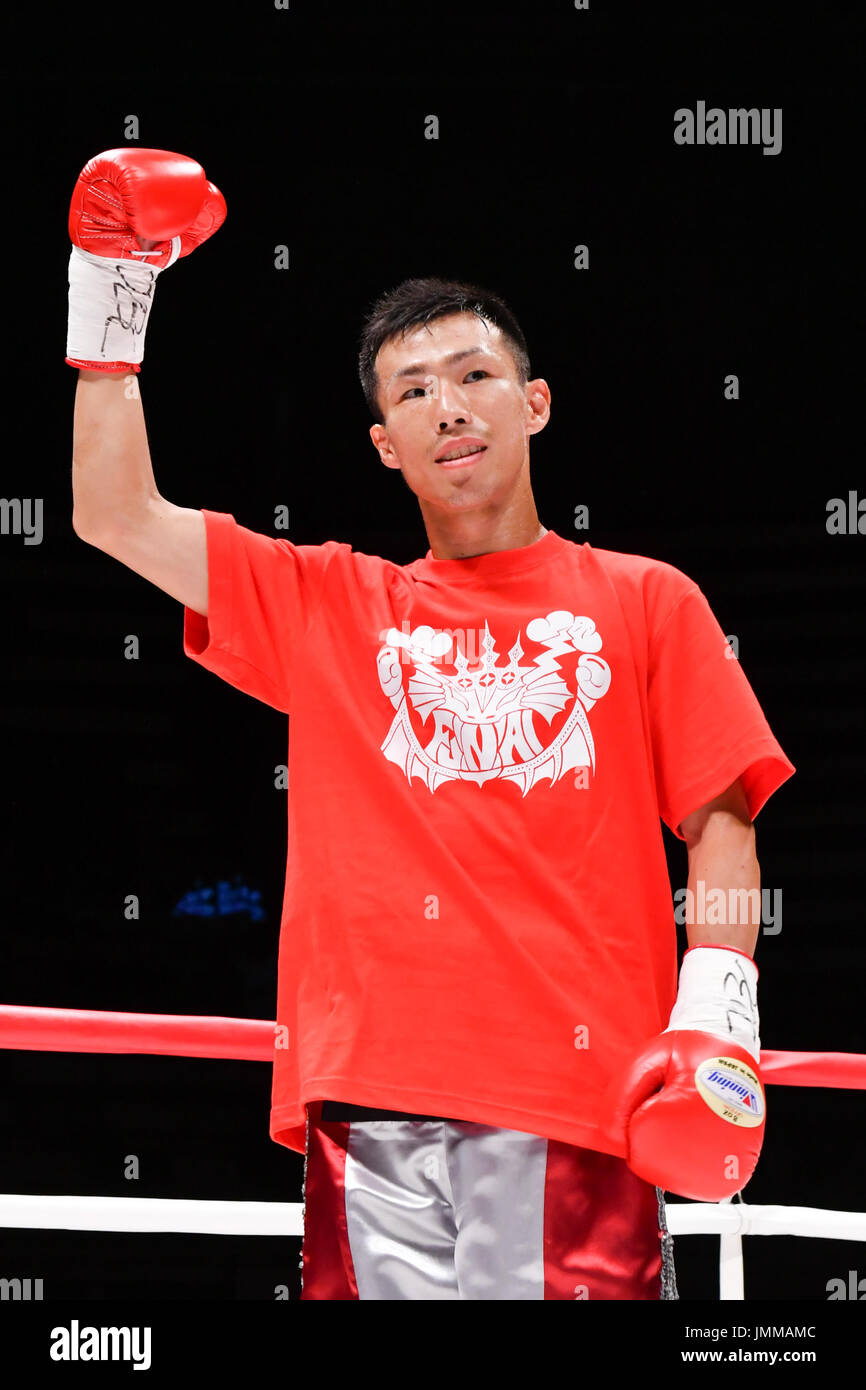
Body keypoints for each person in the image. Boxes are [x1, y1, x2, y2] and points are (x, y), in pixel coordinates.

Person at [68, 148, 795, 1301]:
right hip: (368, 1111)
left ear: (534, 402)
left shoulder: (647, 599)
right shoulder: (330, 602)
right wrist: (110, 285)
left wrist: (716, 1019)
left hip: (576, 1106)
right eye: (411, 392)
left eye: (473, 376)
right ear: (382, 444)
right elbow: (112, 513)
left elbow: (720, 822)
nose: (446, 406)